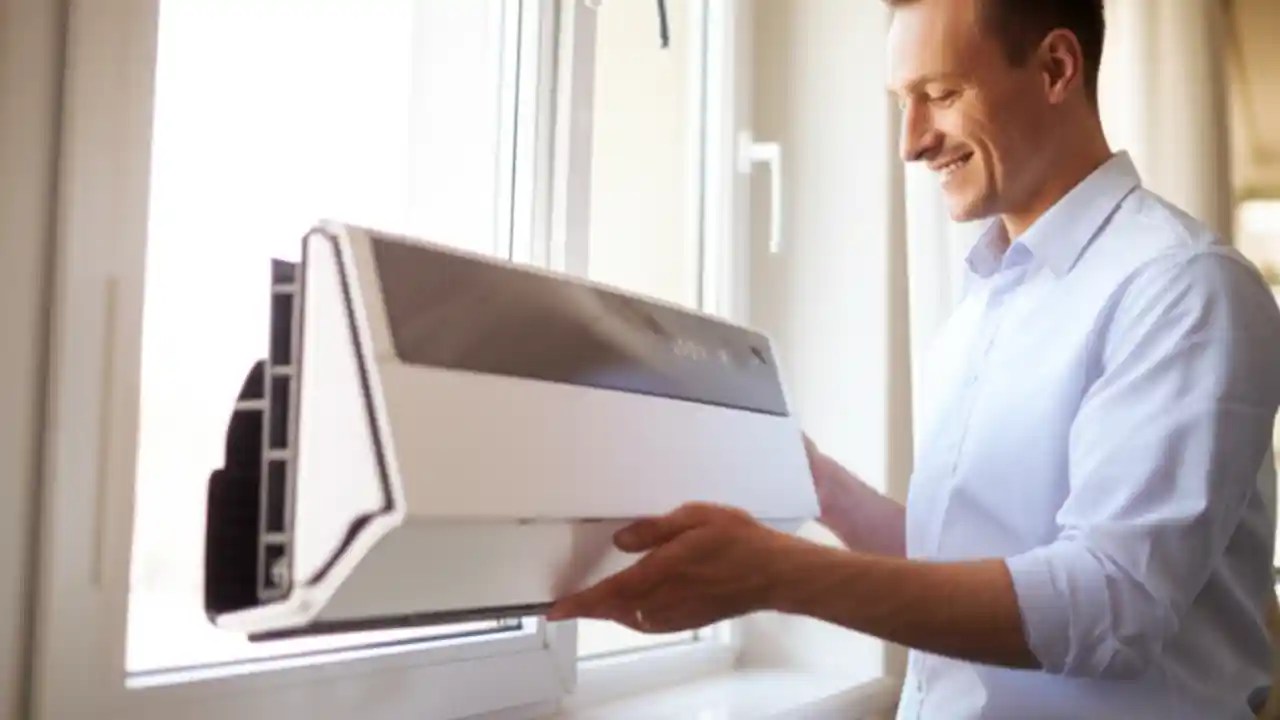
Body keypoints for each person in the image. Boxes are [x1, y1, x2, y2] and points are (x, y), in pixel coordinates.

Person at [546, 0, 1280, 716]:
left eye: (940, 94)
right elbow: (963, 564)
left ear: (1057, 67)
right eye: (904, 100)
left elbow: (1110, 603)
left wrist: (779, 575)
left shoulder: (1182, 287)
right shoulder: (988, 299)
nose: (912, 141)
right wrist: (820, 485)